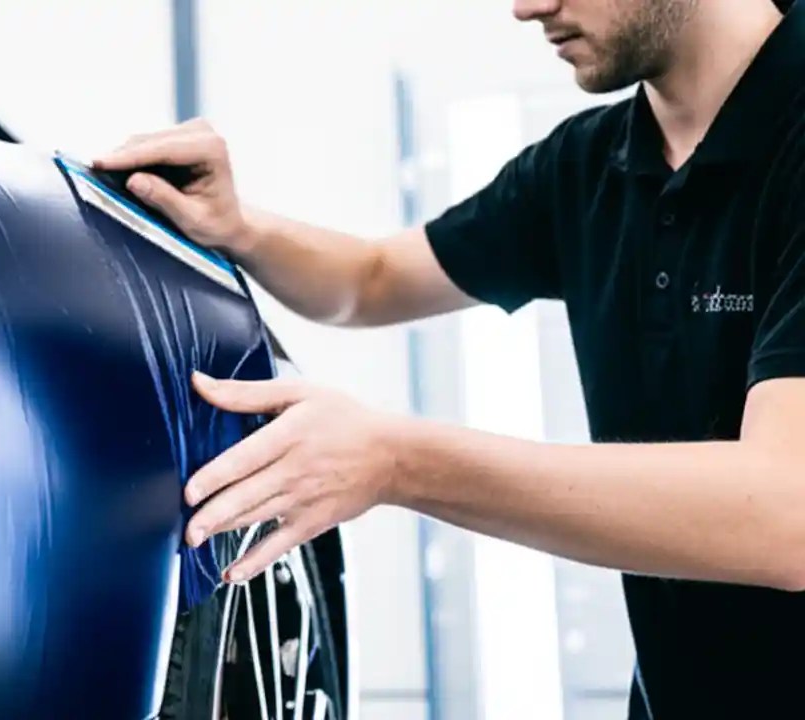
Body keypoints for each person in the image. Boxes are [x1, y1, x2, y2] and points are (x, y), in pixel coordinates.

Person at [95, 0, 805, 717]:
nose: (528, 7)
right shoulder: (589, 167)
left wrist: (396, 461)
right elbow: (371, 280)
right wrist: (239, 227)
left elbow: (788, 513)